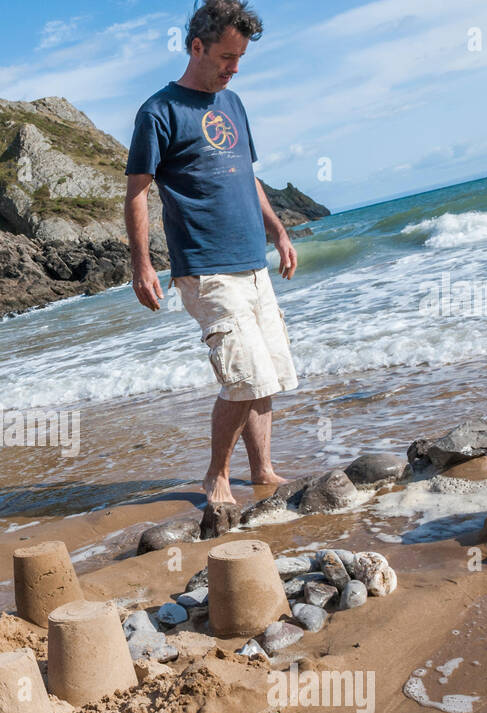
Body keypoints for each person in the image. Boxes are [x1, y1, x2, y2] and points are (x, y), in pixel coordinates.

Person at [124, 0, 299, 505]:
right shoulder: (158, 112)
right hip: (206, 268)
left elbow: (249, 175)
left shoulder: (234, 104)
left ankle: (262, 470)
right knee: (245, 376)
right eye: (226, 56)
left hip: (252, 263)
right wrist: (142, 264)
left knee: (265, 372)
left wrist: (279, 232)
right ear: (196, 46)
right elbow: (138, 190)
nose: (234, 67)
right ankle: (216, 476)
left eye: (240, 58)